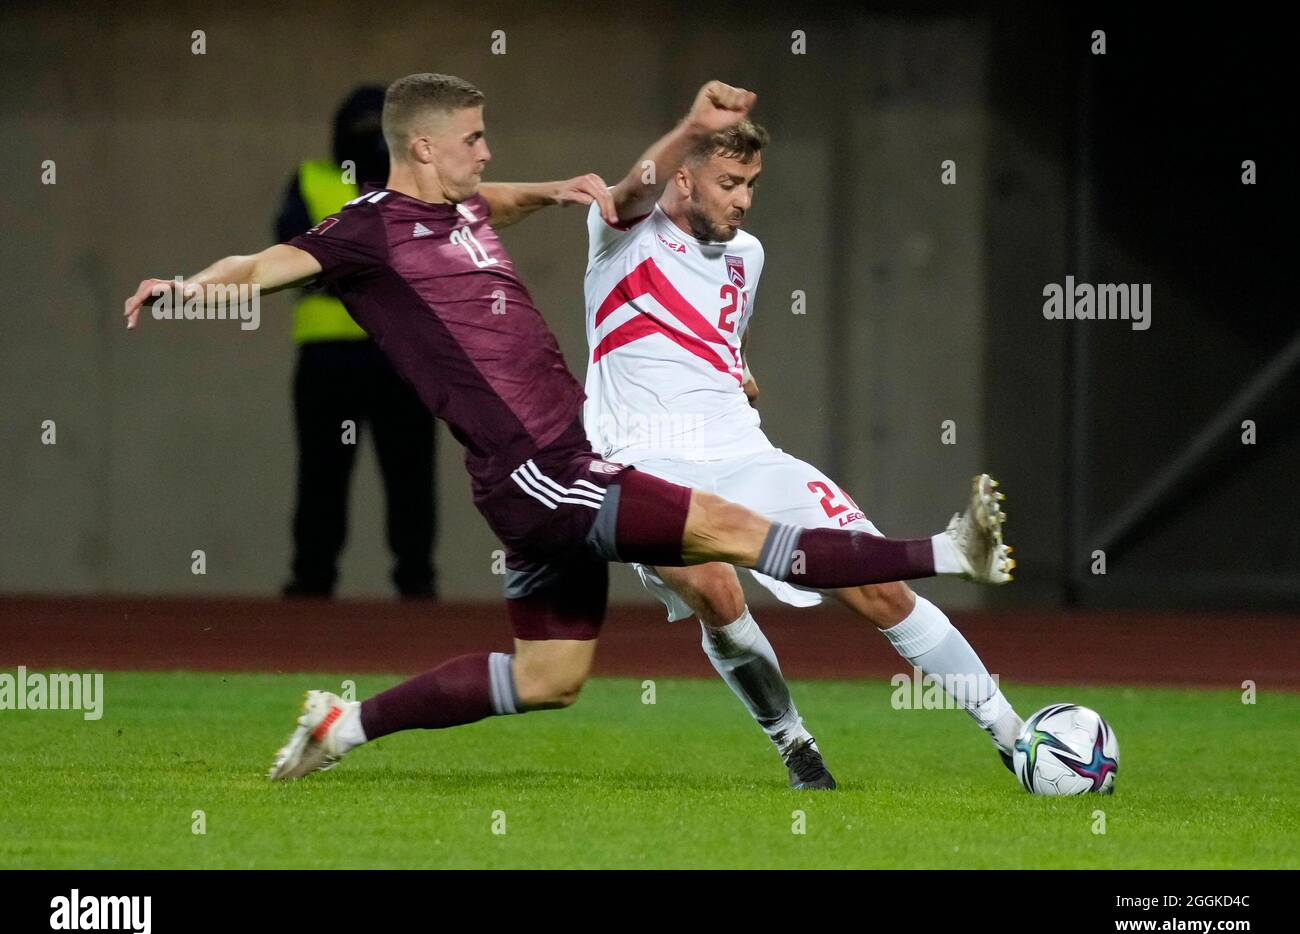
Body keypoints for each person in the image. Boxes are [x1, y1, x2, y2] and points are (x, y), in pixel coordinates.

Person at [121, 74, 1013, 782]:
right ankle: (949, 549)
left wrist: (545, 190)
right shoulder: (369, 231)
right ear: (425, 145)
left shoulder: (462, 209)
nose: (487, 149)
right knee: (746, 539)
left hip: (552, 467)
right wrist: (188, 290)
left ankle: (343, 722)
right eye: (474, 137)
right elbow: (267, 263)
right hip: (542, 469)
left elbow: (496, 200)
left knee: (550, 676)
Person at [582, 115, 1023, 788]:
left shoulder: (747, 256)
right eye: (729, 182)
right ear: (682, 175)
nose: (744, 199)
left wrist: (742, 370)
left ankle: (1017, 739)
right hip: (646, 463)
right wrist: (696, 120)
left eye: (752, 184)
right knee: (715, 587)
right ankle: (796, 744)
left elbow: (727, 335)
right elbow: (627, 191)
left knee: (877, 587)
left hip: (742, 451)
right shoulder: (619, 235)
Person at [277, 86, 438, 599]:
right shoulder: (311, 180)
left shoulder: (417, 187)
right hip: (330, 359)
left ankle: (416, 586)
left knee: (409, 475)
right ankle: (312, 584)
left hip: (403, 358)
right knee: (322, 475)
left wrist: (337, 263)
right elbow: (292, 257)